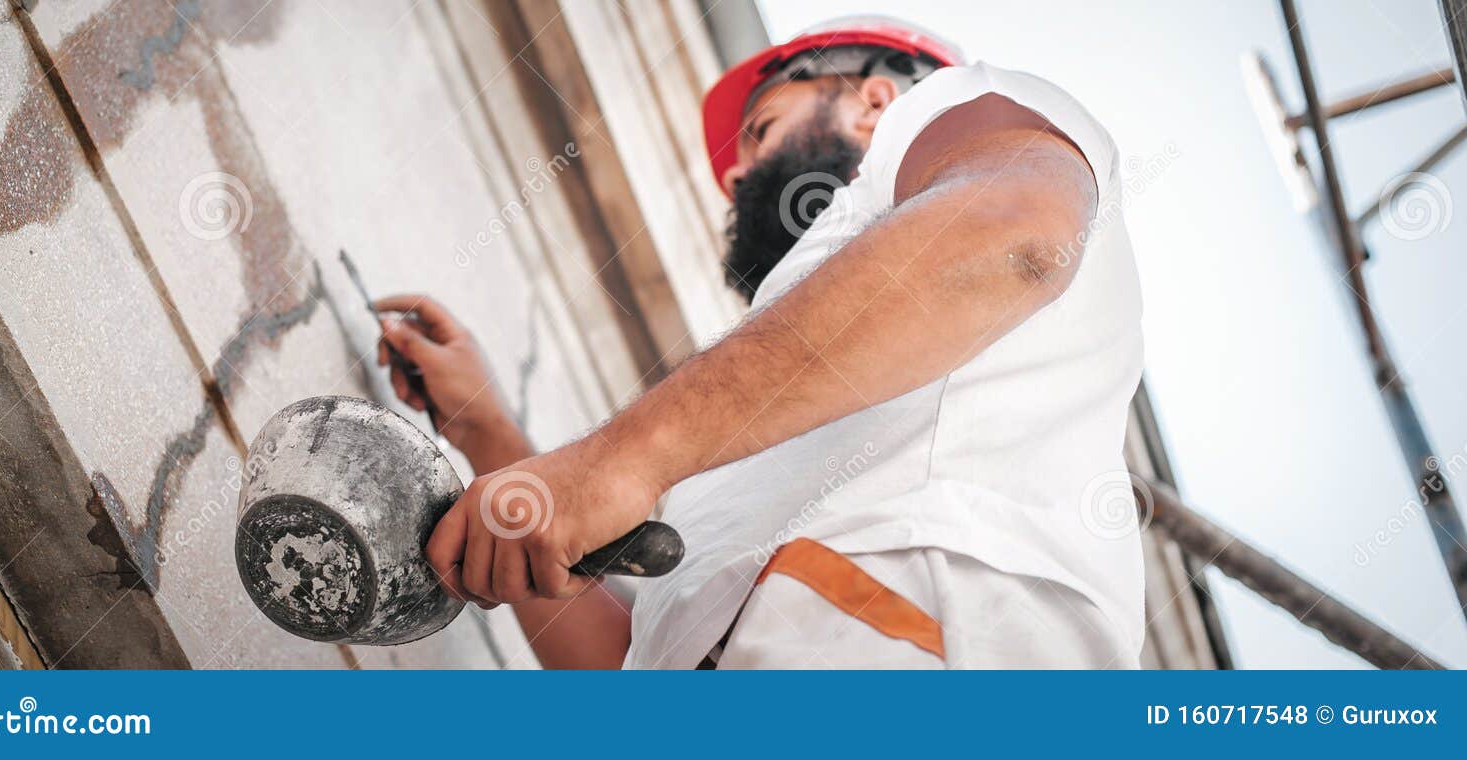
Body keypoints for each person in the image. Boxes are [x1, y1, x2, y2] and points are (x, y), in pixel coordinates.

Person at [375, 16, 1145, 668]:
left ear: (875, 99)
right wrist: (486, 430)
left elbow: (1016, 234)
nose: (739, 172)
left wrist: (618, 460)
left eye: (763, 128)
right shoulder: (774, 424)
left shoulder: (964, 111)